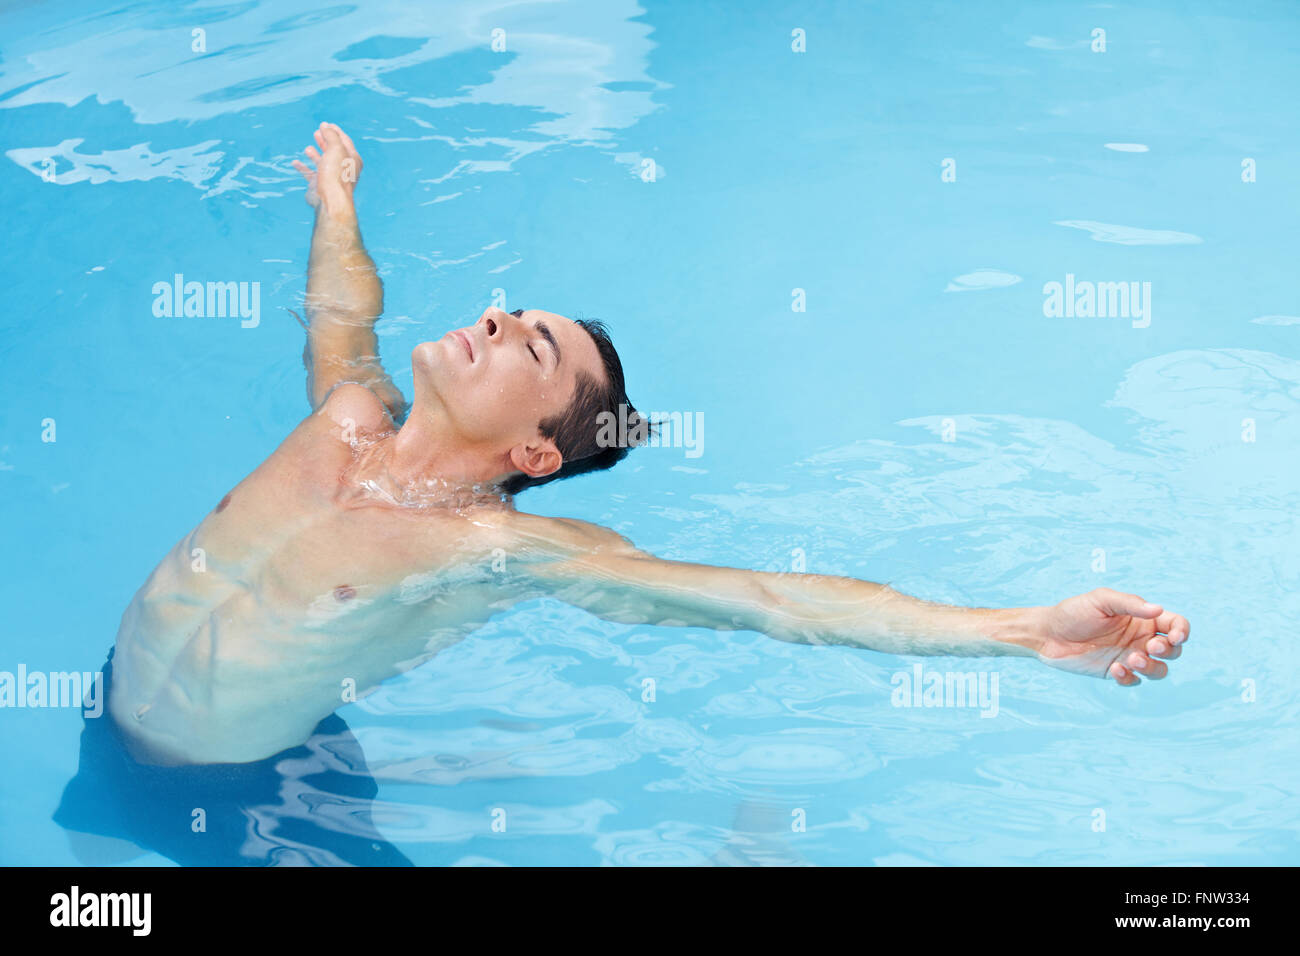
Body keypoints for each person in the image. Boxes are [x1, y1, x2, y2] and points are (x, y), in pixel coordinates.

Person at [94, 122, 1193, 771]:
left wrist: (1022, 631)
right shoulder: (343, 417)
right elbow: (342, 316)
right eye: (508, 313)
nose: (490, 317)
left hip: (248, 791)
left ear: (532, 453)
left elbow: (767, 597)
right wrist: (336, 203)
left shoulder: (496, 548)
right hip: (112, 711)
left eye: (527, 343)